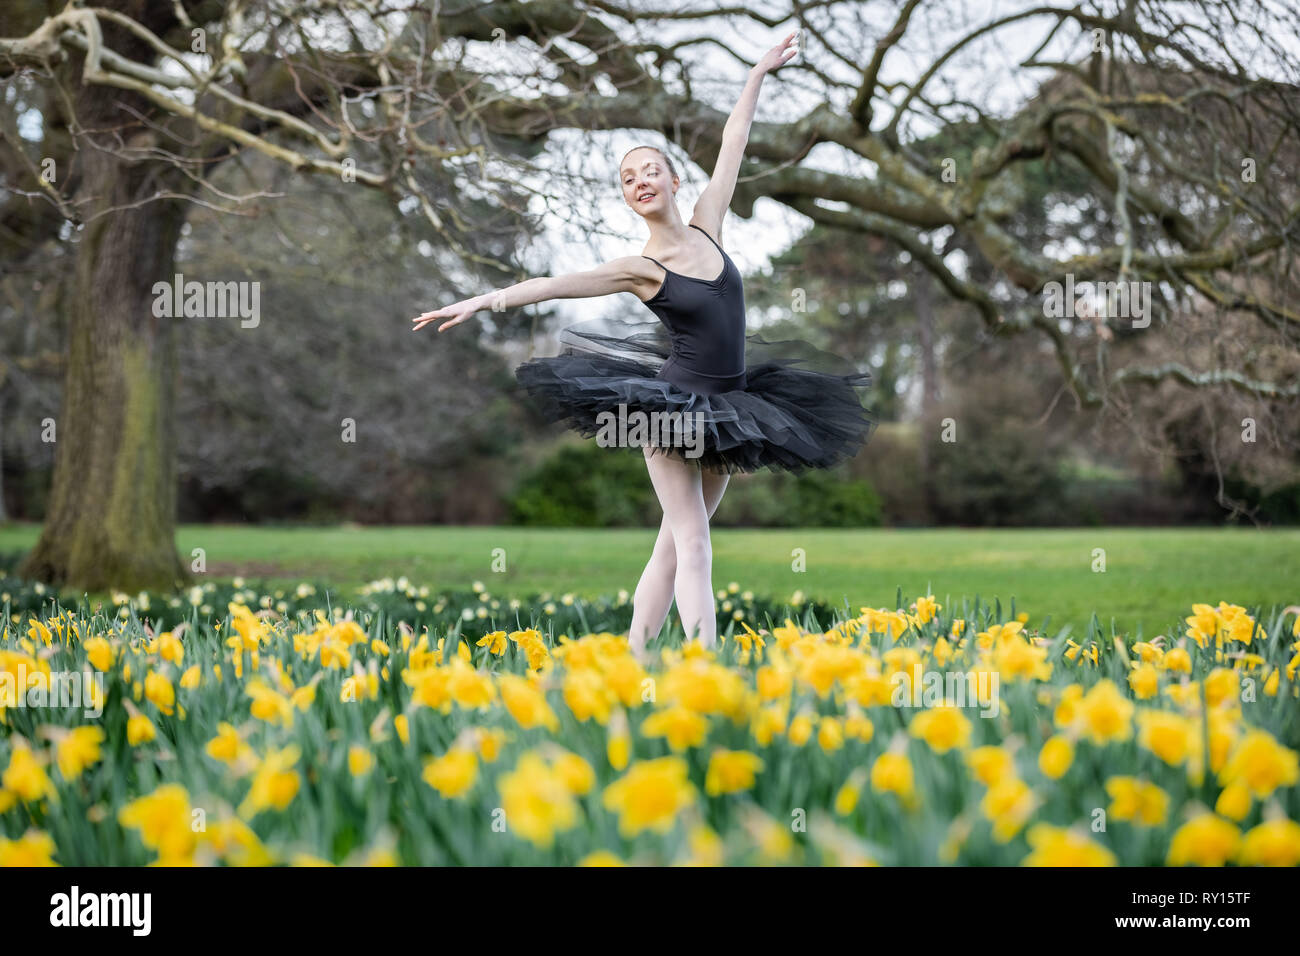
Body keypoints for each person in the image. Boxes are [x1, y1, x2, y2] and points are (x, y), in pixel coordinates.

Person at [413, 31, 874, 664]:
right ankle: (703, 664)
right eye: (629, 179)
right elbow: (555, 284)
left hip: (733, 408)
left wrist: (757, 72)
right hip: (673, 409)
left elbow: (734, 141)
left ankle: (634, 655)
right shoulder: (642, 266)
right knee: (695, 542)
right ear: (628, 197)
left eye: (649, 171)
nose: (640, 182)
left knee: (673, 545)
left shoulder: (710, 223)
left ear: (673, 179)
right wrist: (479, 301)